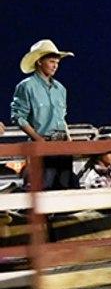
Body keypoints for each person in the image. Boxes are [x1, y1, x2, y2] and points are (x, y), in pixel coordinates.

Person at [10, 39, 79, 191]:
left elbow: (62, 118)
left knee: (65, 188)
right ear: (39, 61)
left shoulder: (60, 89)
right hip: (42, 145)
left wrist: (69, 140)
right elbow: (18, 117)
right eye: (52, 62)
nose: (55, 66)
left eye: (57, 62)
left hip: (62, 146)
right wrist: (39, 140)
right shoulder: (26, 87)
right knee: (44, 188)